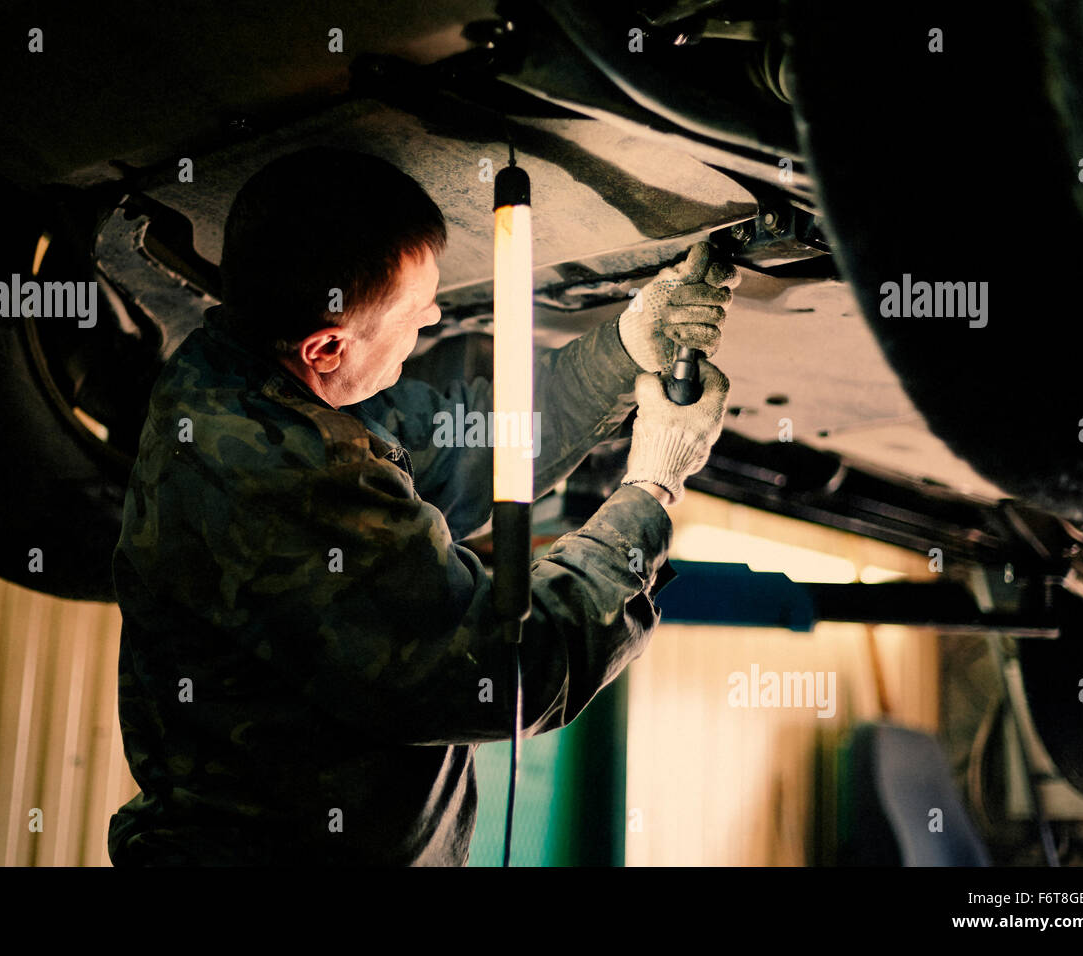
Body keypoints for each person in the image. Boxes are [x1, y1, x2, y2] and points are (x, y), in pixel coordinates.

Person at [108, 146, 738, 865]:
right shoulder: (275, 476)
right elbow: (501, 671)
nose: (435, 315)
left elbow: (462, 453)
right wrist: (652, 488)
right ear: (326, 345)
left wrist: (622, 351)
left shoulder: (245, 373)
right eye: (415, 313)